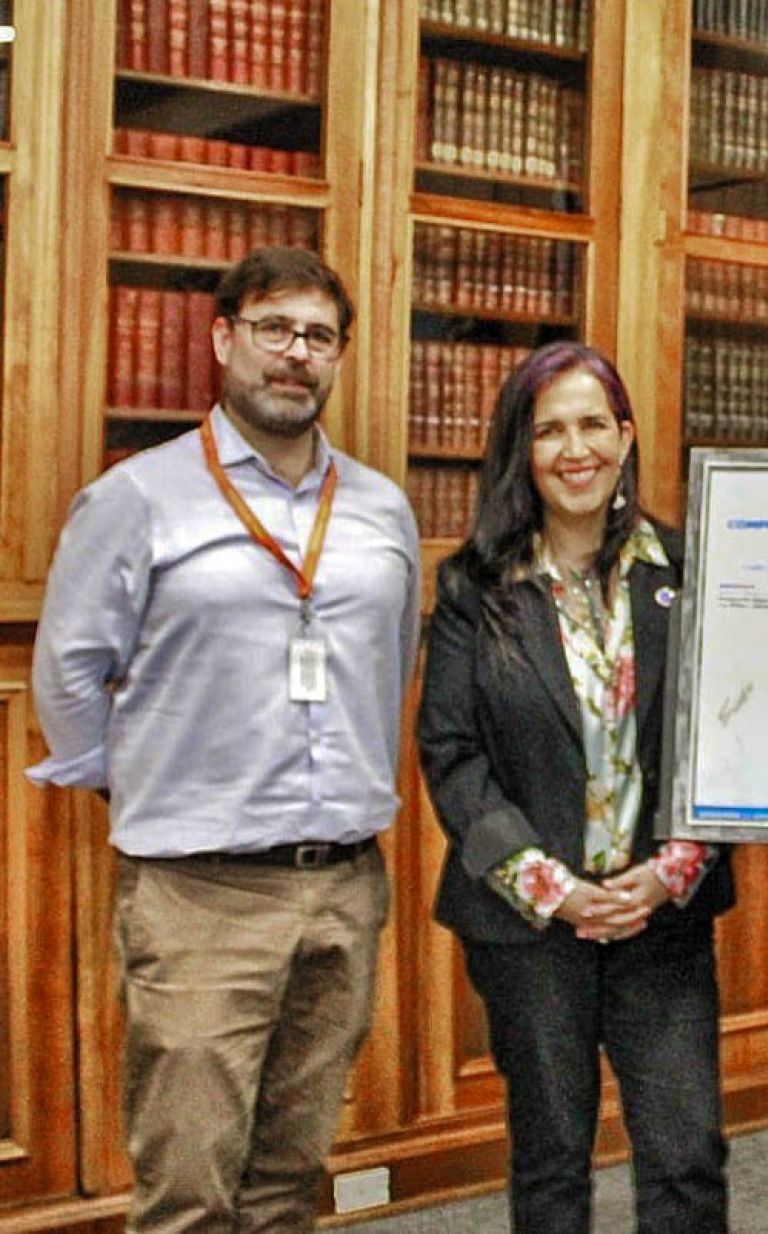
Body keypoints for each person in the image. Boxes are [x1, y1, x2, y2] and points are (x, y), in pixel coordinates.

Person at [28, 247, 418, 1232]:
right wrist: (152, 787)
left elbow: (394, 659)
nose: (296, 354)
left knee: (290, 1176)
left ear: (339, 356)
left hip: (344, 886)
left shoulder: (380, 509)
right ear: (223, 339)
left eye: (319, 336)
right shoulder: (138, 497)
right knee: (191, 1191)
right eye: (274, 329)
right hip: (199, 895)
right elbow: (68, 673)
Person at [416, 341, 732, 1233]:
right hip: (532, 927)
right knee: (552, 1162)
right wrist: (556, 894)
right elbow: (450, 751)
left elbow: (735, 733)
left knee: (686, 1158)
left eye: (593, 423)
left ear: (626, 437)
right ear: (523, 449)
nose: (574, 448)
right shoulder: (476, 585)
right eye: (549, 429)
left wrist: (673, 869)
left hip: (660, 915)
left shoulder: (689, 568)